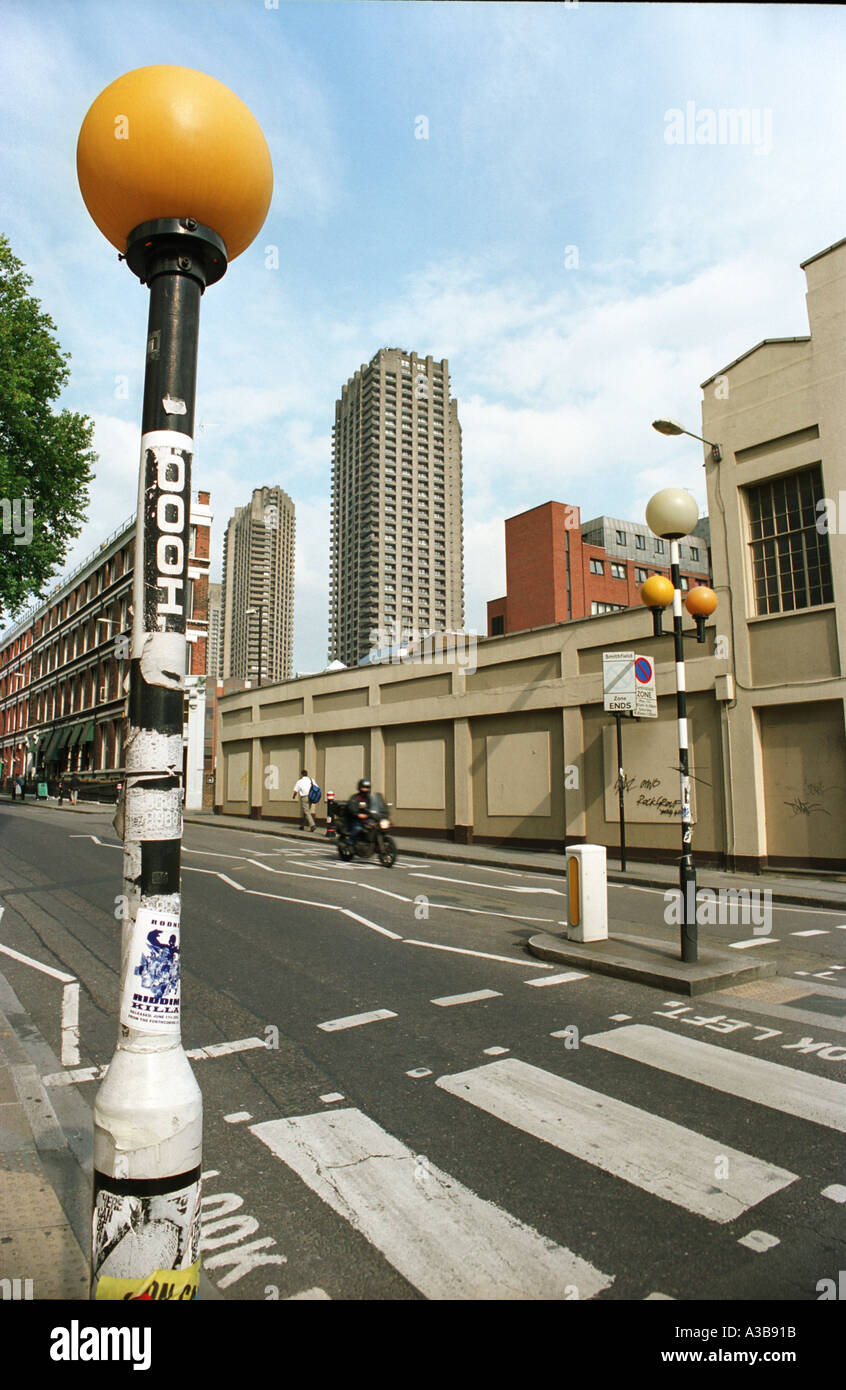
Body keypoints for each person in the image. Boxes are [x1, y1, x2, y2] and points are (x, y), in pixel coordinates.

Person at [345, 778, 373, 851]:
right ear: (360, 787)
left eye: (367, 787)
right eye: (363, 787)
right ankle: (349, 843)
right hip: (355, 819)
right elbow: (352, 807)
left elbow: (374, 806)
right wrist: (357, 814)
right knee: (358, 828)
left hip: (367, 819)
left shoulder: (370, 798)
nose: (365, 789)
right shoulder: (355, 798)